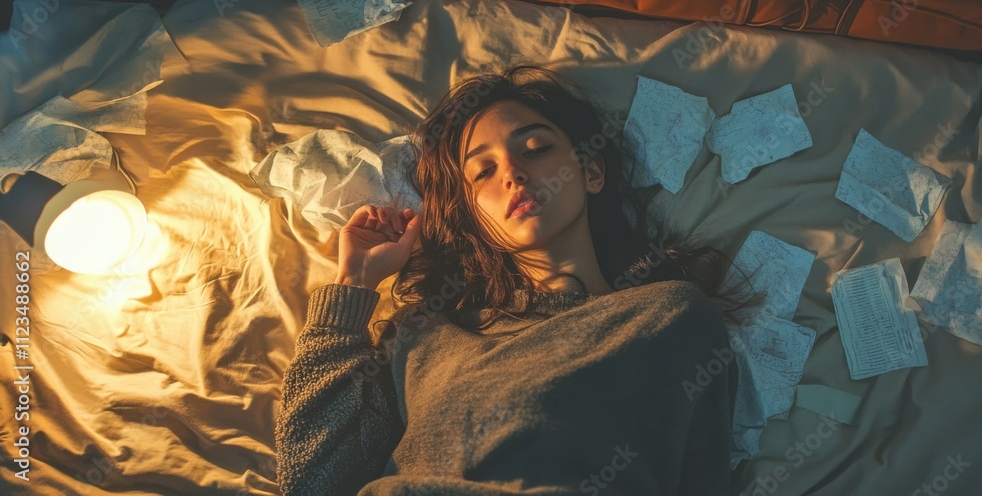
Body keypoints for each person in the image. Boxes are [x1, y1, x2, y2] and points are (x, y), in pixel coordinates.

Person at [276, 65, 754, 495]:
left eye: (536, 148)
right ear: (474, 219)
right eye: (483, 171)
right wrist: (353, 286)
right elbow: (314, 481)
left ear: (590, 171)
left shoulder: (671, 317)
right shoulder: (423, 334)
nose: (514, 174)